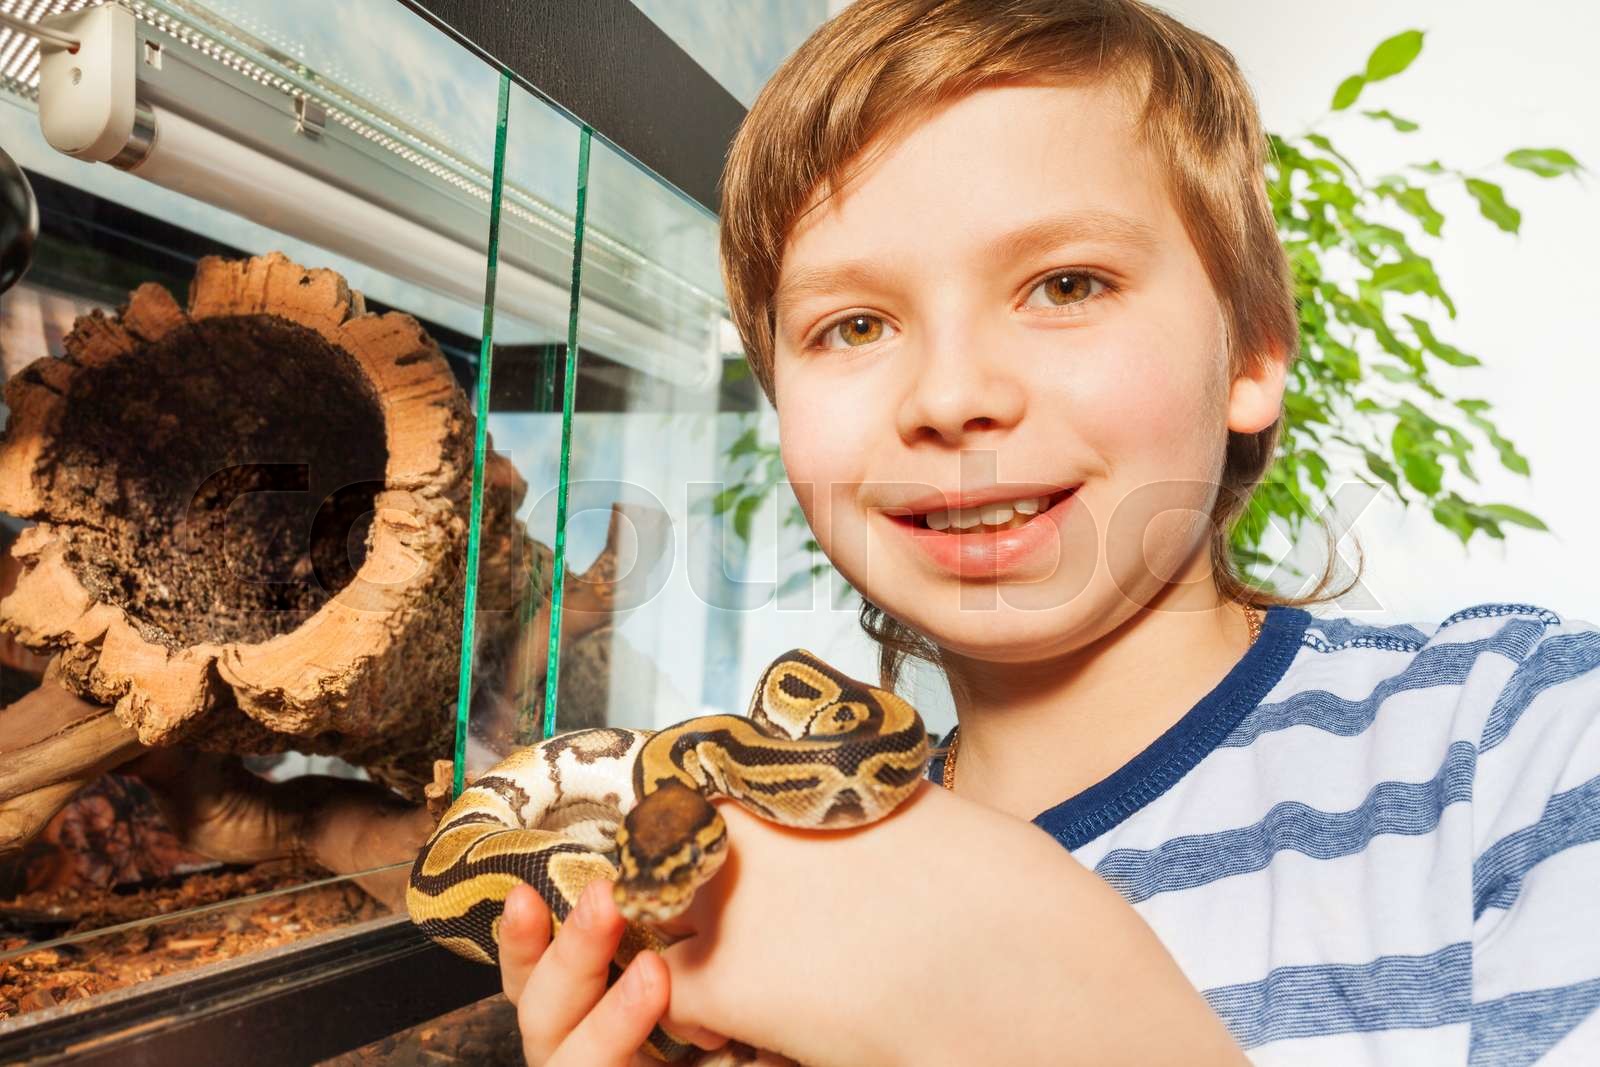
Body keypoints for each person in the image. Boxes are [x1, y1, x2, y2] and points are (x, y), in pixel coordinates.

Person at [495, 1, 1600, 1064]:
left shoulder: (1528, 734)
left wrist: (1047, 992)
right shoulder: (762, 872)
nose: (951, 391)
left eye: (1066, 283)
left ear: (1254, 351)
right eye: (855, 323)